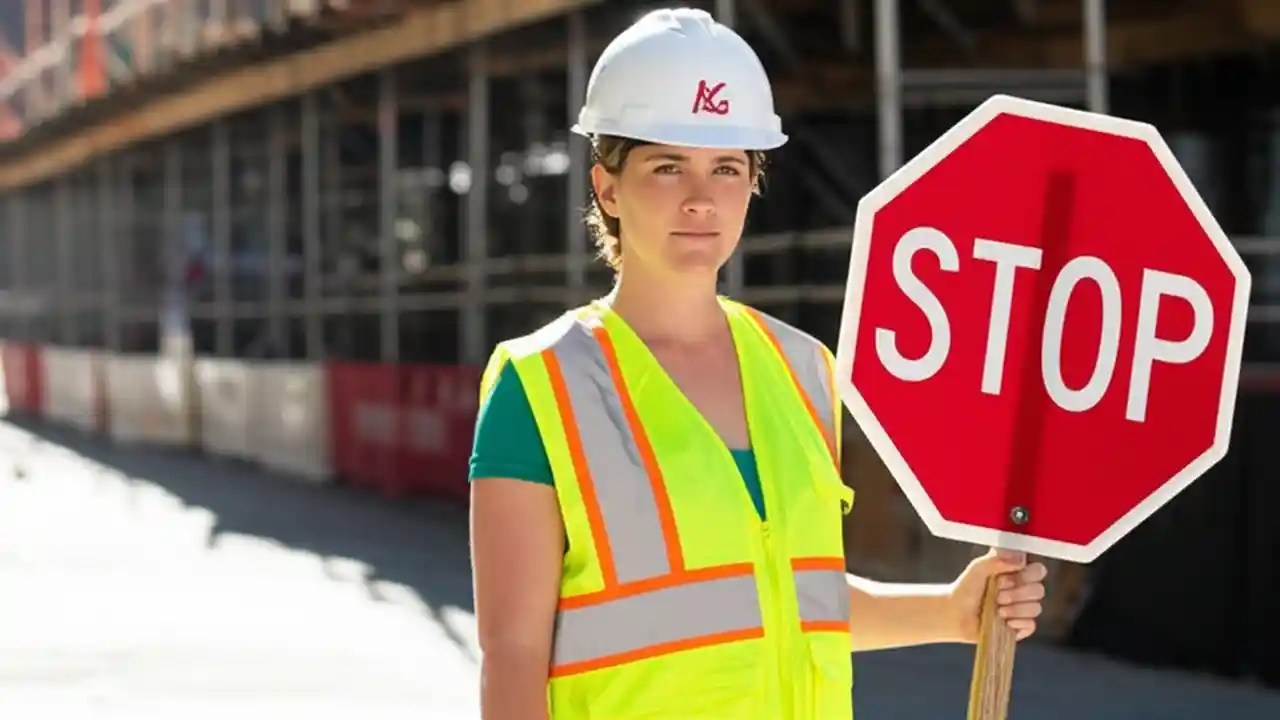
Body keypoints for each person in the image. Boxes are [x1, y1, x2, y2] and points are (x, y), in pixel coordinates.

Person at [468, 8, 1048, 719]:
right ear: (607, 187)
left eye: (727, 169)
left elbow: (783, 598)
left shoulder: (803, 370)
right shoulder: (541, 386)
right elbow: (515, 651)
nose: (701, 199)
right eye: (667, 166)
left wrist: (951, 613)